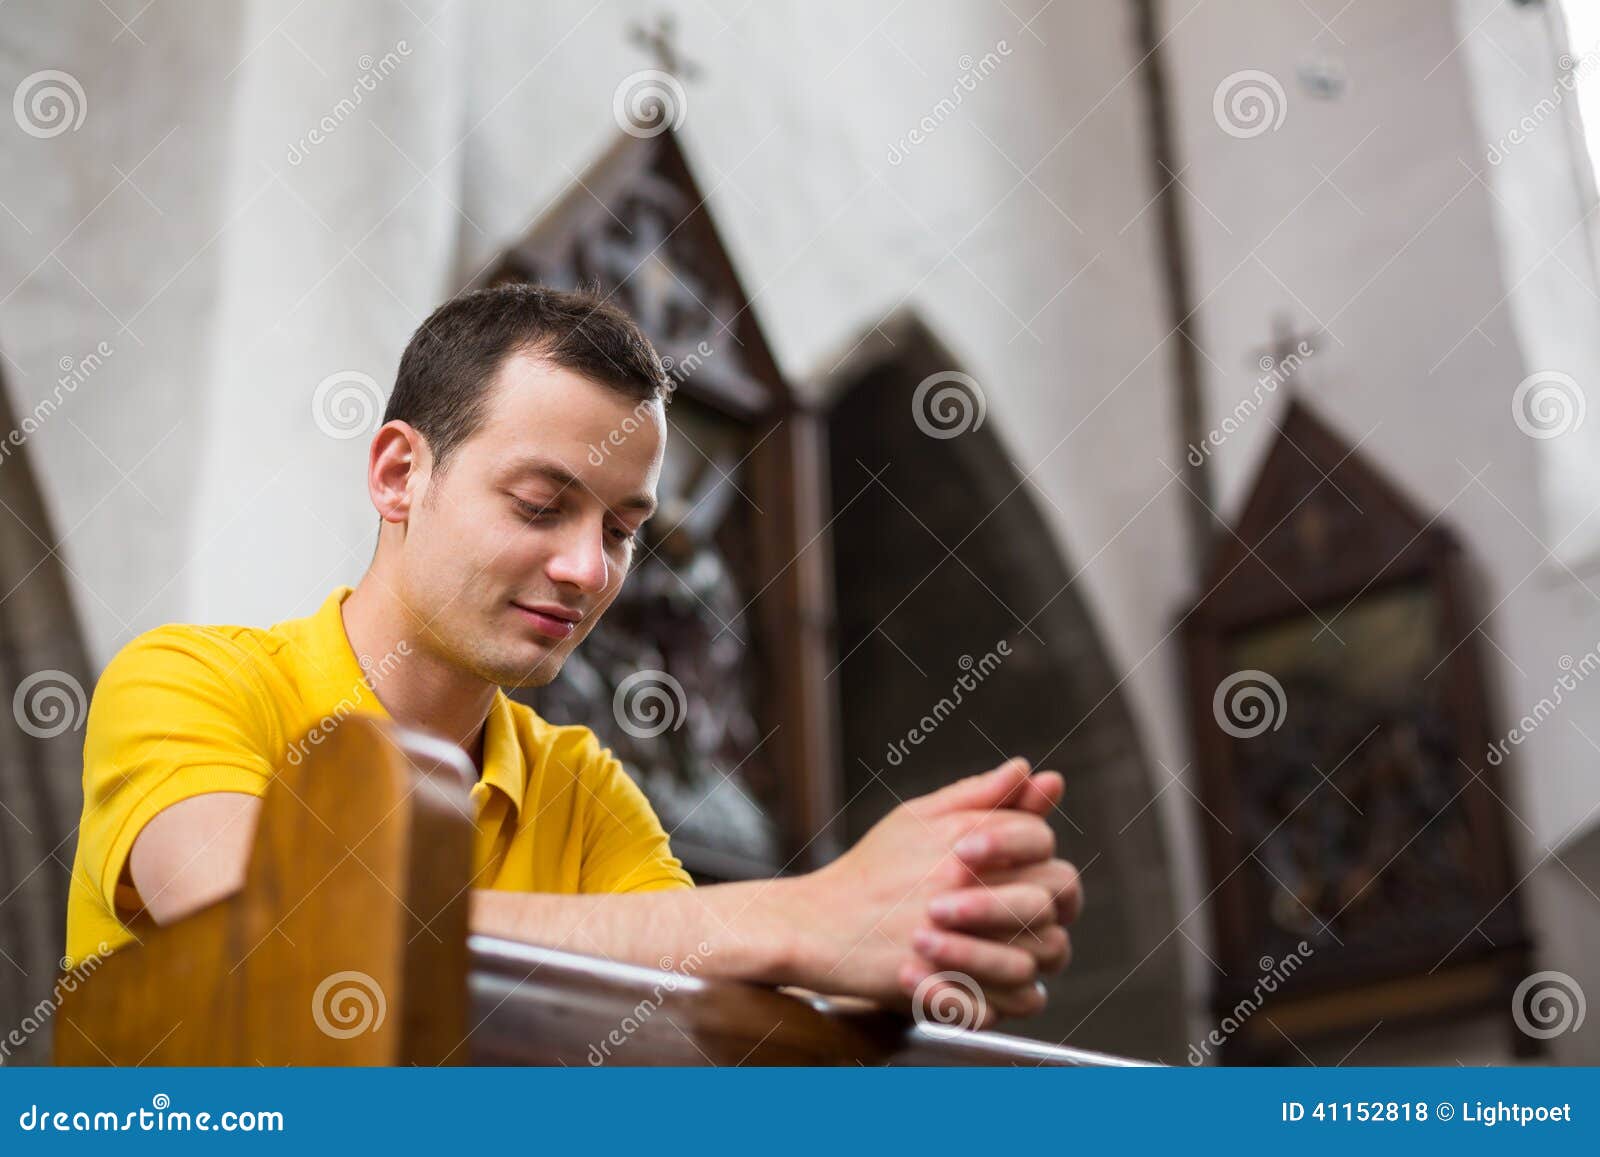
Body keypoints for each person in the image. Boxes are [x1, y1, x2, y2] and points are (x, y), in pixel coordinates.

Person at [64, 285, 1082, 1027]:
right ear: (396, 472)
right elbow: (268, 923)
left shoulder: (581, 788)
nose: (590, 568)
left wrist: (929, 933)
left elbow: (704, 1011)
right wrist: (810, 913)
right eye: (541, 505)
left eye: (626, 528)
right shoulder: (190, 682)